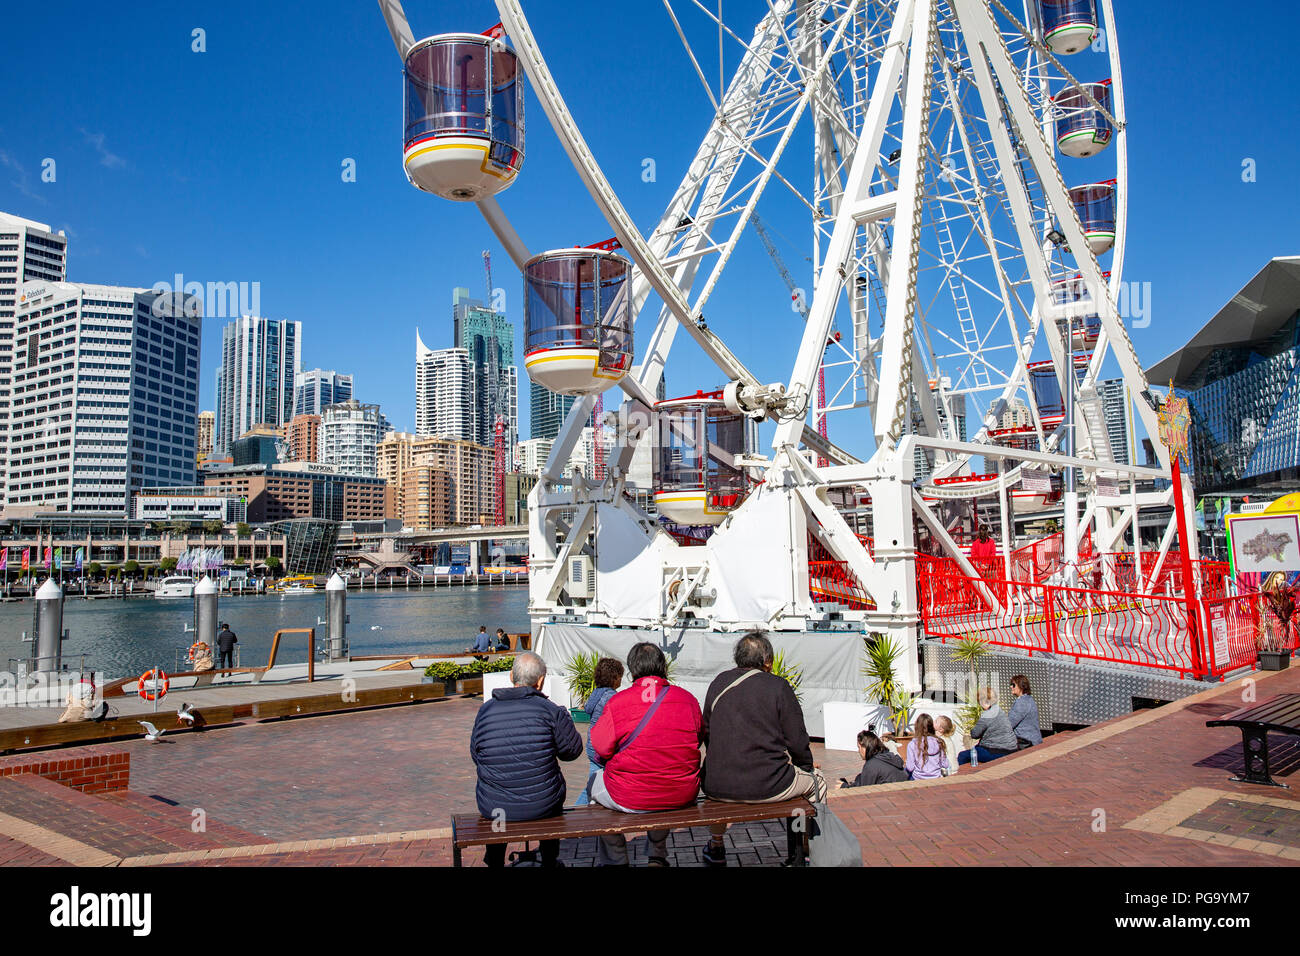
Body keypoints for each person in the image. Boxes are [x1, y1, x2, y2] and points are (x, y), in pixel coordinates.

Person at [700, 632, 825, 867]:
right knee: (817, 784)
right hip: (768, 783)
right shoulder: (778, 686)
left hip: (716, 784)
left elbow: (707, 731)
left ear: (738, 658)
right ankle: (804, 853)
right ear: (768, 661)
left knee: (717, 795)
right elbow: (797, 739)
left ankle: (716, 846)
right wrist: (805, 767)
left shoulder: (718, 682)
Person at [588, 644, 702, 866]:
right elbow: (698, 739)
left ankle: (616, 858)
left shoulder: (617, 702)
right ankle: (657, 855)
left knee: (593, 784)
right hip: (680, 792)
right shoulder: (688, 700)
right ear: (663, 667)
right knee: (662, 787)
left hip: (628, 794)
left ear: (632, 669)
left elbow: (600, 749)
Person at [469, 652, 583, 867]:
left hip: (495, 808)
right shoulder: (550, 711)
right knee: (550, 792)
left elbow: (477, 755)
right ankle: (549, 859)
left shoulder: (486, 710)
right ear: (540, 681)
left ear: (511, 676)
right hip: (543, 805)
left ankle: (494, 860)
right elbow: (572, 752)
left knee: (497, 798)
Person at [575, 657, 624, 807]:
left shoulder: (596, 694)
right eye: (620, 676)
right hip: (602, 750)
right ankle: (577, 812)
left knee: (596, 781)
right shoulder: (611, 697)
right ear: (614, 678)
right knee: (592, 786)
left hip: (592, 746)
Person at [958, 687, 1019, 765]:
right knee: (976, 749)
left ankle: (960, 775)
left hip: (996, 752)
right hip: (1012, 748)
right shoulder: (999, 710)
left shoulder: (987, 715)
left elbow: (974, 734)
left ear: (983, 701)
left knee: (963, 755)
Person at [839, 731, 907, 788]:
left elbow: (863, 790)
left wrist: (844, 787)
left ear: (865, 747)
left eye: (859, 747)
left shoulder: (871, 765)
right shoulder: (888, 756)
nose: (858, 751)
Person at [904, 713, 949, 780]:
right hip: (936, 777)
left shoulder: (912, 744)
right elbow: (945, 764)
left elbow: (910, 768)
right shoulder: (939, 742)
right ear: (932, 727)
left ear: (917, 727)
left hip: (917, 778)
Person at [1008, 675, 1042, 748]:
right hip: (1034, 740)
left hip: (1026, 743)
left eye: (1013, 685)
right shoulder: (1029, 699)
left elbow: (1009, 724)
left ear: (1021, 686)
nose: (1011, 687)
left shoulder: (1021, 703)